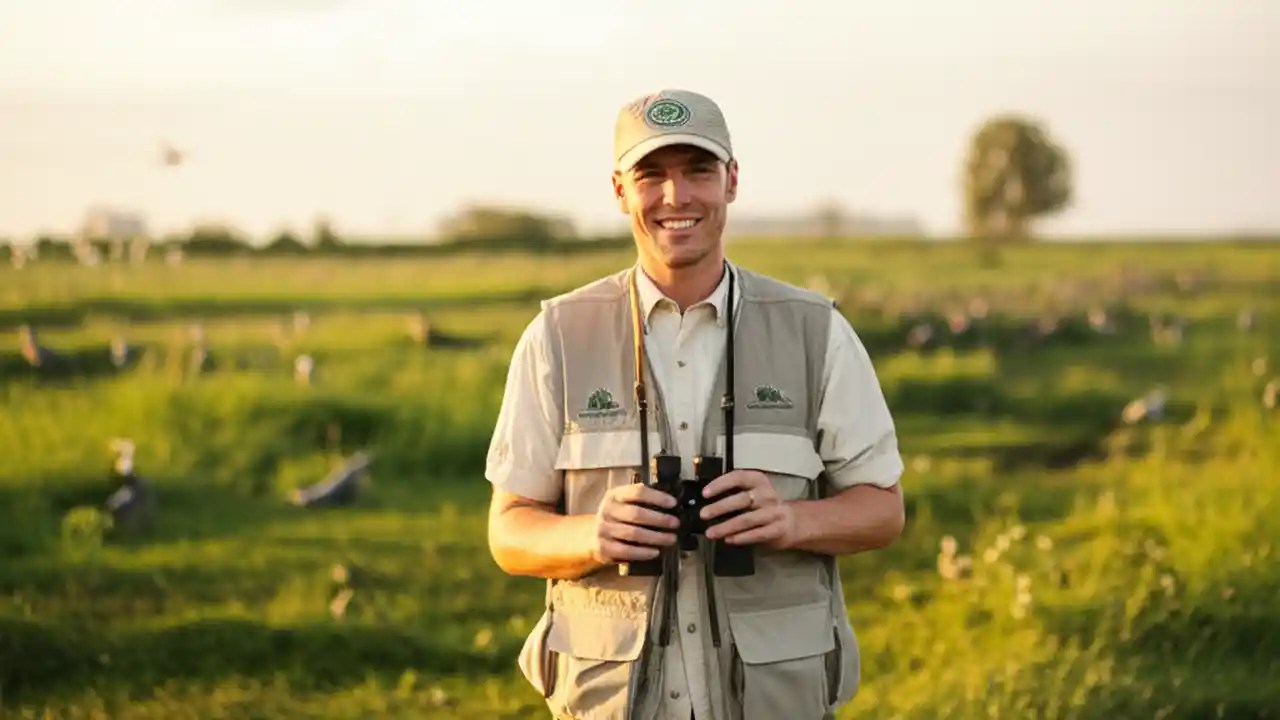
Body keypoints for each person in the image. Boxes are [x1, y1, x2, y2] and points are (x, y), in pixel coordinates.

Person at [485, 88, 905, 720]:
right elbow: (509, 530)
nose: (676, 197)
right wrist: (595, 534)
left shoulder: (817, 332)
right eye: (651, 175)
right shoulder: (556, 337)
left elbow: (883, 510)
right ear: (620, 190)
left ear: (732, 181)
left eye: (698, 172)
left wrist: (793, 522)